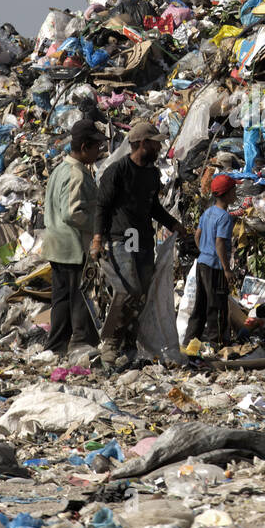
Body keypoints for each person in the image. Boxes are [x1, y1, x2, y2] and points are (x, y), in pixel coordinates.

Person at [92, 120, 188, 365]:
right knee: (128, 289)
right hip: (121, 238)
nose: (158, 149)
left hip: (143, 240)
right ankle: (110, 342)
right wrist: (97, 239)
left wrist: (172, 224)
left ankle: (129, 343)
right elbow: (102, 206)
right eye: (155, 145)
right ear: (142, 143)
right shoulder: (117, 171)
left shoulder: (152, 173)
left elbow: (153, 207)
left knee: (141, 293)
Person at [41, 119, 106, 362]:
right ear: (85, 146)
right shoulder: (77, 173)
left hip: (57, 245)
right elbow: (72, 212)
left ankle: (55, 346)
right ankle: (80, 343)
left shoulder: (60, 169)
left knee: (61, 299)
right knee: (80, 297)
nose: (99, 152)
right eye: (96, 147)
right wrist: (98, 226)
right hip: (72, 246)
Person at [186, 174, 235, 351]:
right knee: (218, 306)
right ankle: (218, 343)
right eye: (234, 190)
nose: (236, 193)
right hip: (216, 267)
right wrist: (227, 269)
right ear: (227, 194)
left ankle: (190, 342)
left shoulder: (208, 213)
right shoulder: (224, 217)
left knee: (200, 304)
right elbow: (220, 242)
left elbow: (197, 235)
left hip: (202, 263)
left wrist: (203, 252)